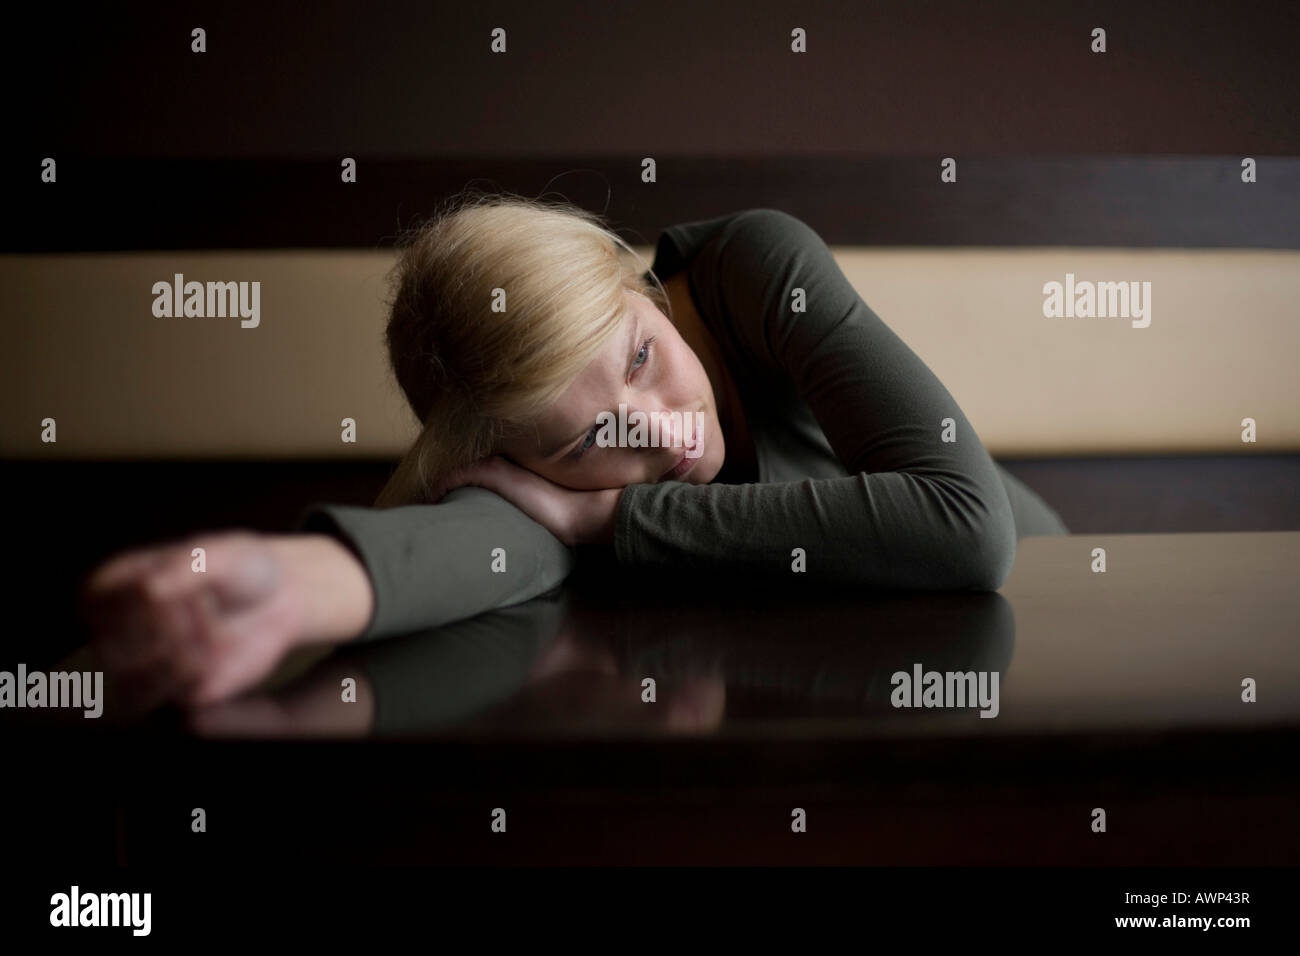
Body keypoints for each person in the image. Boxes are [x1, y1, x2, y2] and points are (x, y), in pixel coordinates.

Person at [79, 191, 1068, 711]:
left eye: (641, 354)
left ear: (637, 284)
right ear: (530, 462)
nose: (658, 423)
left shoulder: (757, 269)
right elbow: (475, 542)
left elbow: (966, 529)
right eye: (595, 435)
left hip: (1052, 616)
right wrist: (286, 582)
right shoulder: (532, 471)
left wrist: (613, 514)